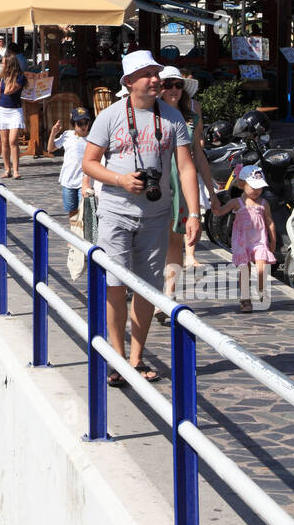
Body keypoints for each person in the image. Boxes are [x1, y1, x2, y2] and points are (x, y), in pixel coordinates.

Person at [83, 51, 201, 386]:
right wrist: (120, 180)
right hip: (116, 214)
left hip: (156, 215)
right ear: (129, 82)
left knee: (148, 289)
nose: (154, 80)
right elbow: (89, 163)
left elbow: (186, 166)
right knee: (116, 284)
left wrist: (194, 213)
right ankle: (117, 358)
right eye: (147, 74)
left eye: (156, 73)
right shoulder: (109, 116)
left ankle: (136, 357)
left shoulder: (172, 118)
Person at [158, 67, 218, 320]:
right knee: (152, 241)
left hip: (180, 182)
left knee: (174, 241)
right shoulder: (149, 114)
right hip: (157, 181)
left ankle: (168, 296)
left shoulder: (191, 116)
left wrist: (211, 191)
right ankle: (148, 290)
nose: (173, 89)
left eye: (177, 85)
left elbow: (198, 154)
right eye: (167, 84)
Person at [210, 166, 276, 312]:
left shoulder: (264, 204)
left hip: (259, 241)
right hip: (242, 242)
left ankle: (261, 288)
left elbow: (269, 221)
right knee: (244, 271)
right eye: (254, 187)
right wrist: (214, 206)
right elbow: (220, 212)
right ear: (242, 184)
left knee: (261, 268)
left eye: (260, 187)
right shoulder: (236, 202)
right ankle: (245, 299)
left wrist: (273, 240)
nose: (257, 191)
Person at [47, 107, 93, 279]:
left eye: (85, 122)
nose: (83, 126)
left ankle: (79, 236)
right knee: (72, 210)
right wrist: (53, 132)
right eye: (79, 123)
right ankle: (75, 235)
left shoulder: (93, 138)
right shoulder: (67, 135)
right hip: (68, 179)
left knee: (84, 212)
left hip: (84, 181)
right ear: (73, 124)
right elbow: (51, 148)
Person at [0, 51, 27, 180]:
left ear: (10, 64)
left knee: (13, 141)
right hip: (3, 110)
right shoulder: (2, 77)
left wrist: (9, 78)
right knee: (4, 141)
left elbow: (8, 90)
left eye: (4, 63)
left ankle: (16, 170)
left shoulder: (21, 77)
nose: (1, 65)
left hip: (15, 111)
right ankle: (7, 169)